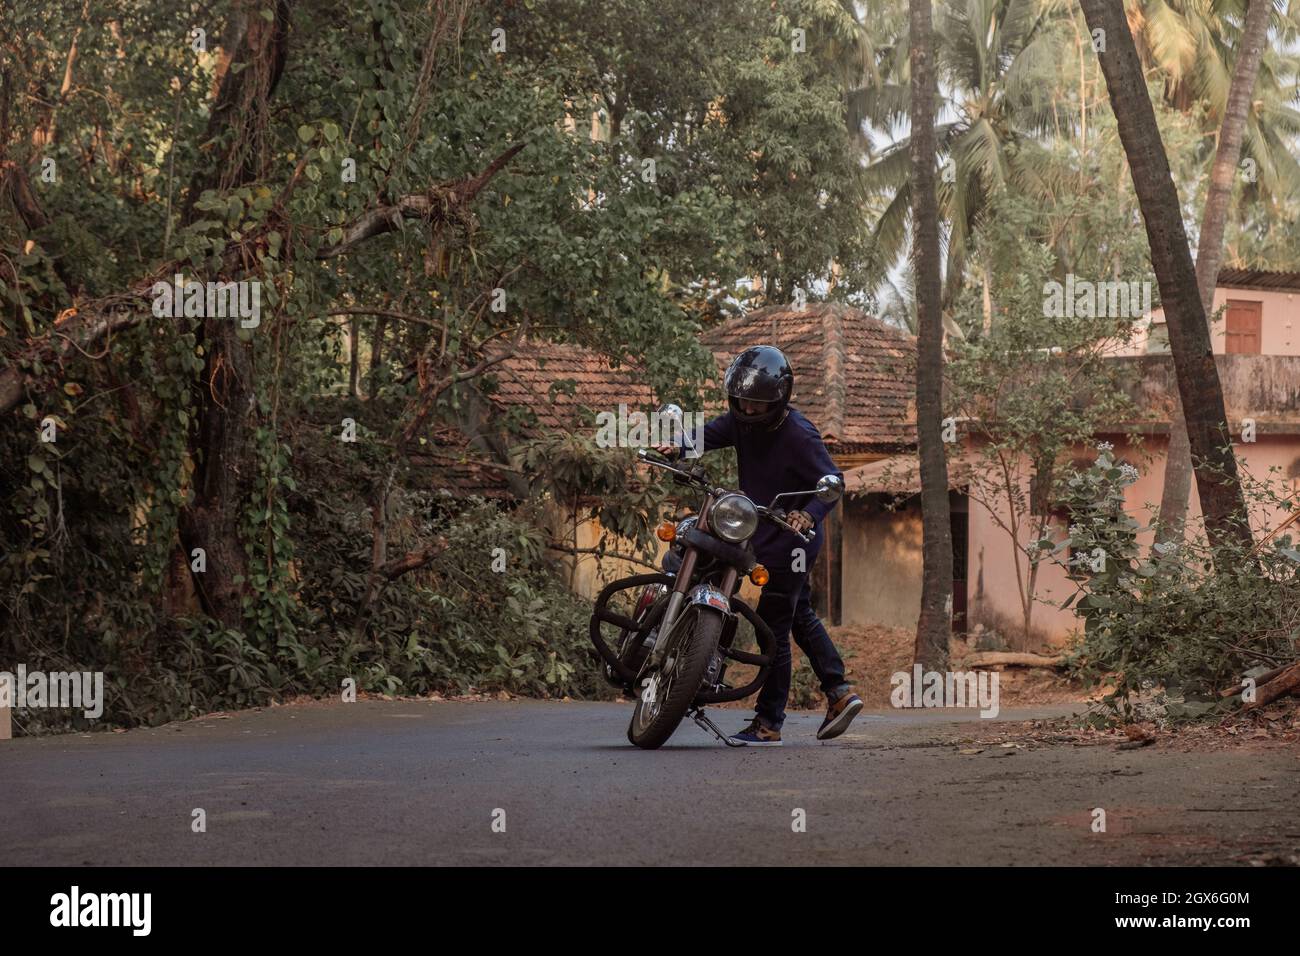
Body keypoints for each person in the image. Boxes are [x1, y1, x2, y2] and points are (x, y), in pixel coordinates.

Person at [661, 345, 862, 746]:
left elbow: (832, 483)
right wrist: (677, 447)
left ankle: (769, 722)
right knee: (799, 615)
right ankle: (839, 692)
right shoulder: (740, 423)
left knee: (774, 626)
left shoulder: (799, 433)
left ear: (779, 399)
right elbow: (708, 436)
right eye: (743, 402)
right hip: (757, 530)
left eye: (757, 404)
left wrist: (808, 514)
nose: (749, 410)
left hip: (792, 541)